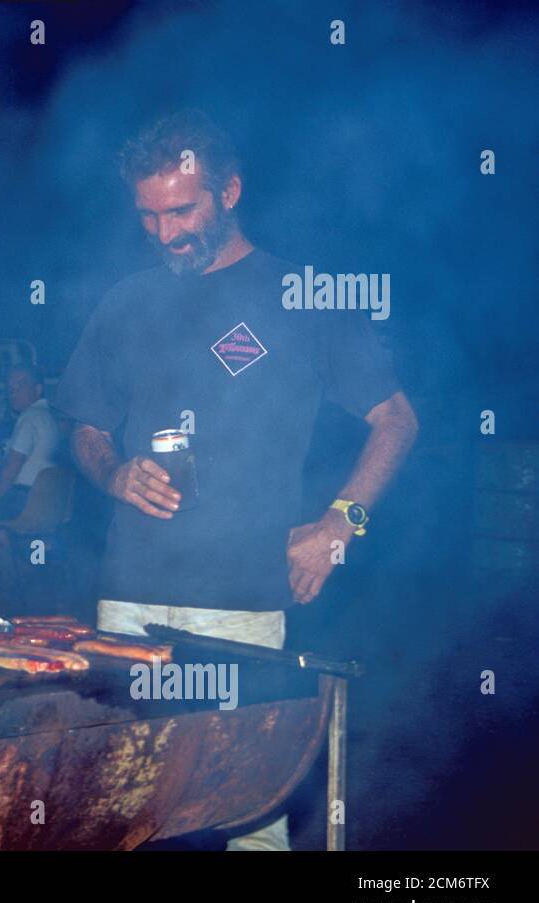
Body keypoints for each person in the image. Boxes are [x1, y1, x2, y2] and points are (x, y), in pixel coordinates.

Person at [54, 110, 419, 851]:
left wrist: (338, 523)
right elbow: (84, 427)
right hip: (127, 603)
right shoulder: (126, 301)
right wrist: (113, 471)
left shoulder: (305, 295)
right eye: (149, 216)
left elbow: (398, 419)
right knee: (123, 810)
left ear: (229, 191)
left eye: (181, 210)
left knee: (248, 817)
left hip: (244, 606)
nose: (165, 233)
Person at [0, 363, 63, 579]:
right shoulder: (52, 417)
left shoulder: (30, 417)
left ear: (38, 389)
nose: (13, 392)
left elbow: (13, 465)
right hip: (51, 502)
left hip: (25, 499)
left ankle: (17, 567)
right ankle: (22, 569)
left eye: (20, 386)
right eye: (10, 388)